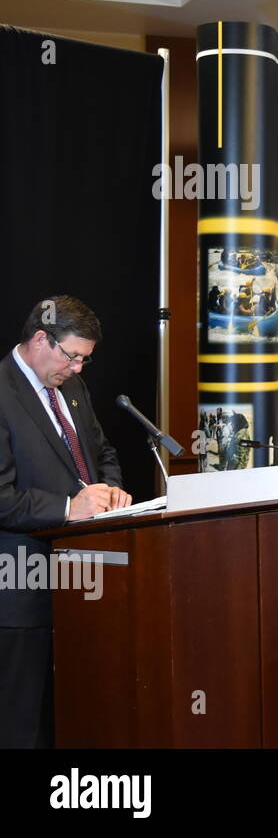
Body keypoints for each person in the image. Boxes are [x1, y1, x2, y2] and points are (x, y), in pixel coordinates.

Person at [0, 296, 132, 748]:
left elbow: (104, 453)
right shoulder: (1, 391)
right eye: (72, 356)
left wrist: (109, 491)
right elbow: (2, 499)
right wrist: (68, 507)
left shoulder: (71, 388)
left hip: (83, 586)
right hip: (20, 589)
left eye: (85, 360)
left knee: (74, 721)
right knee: (21, 728)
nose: (77, 369)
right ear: (41, 338)